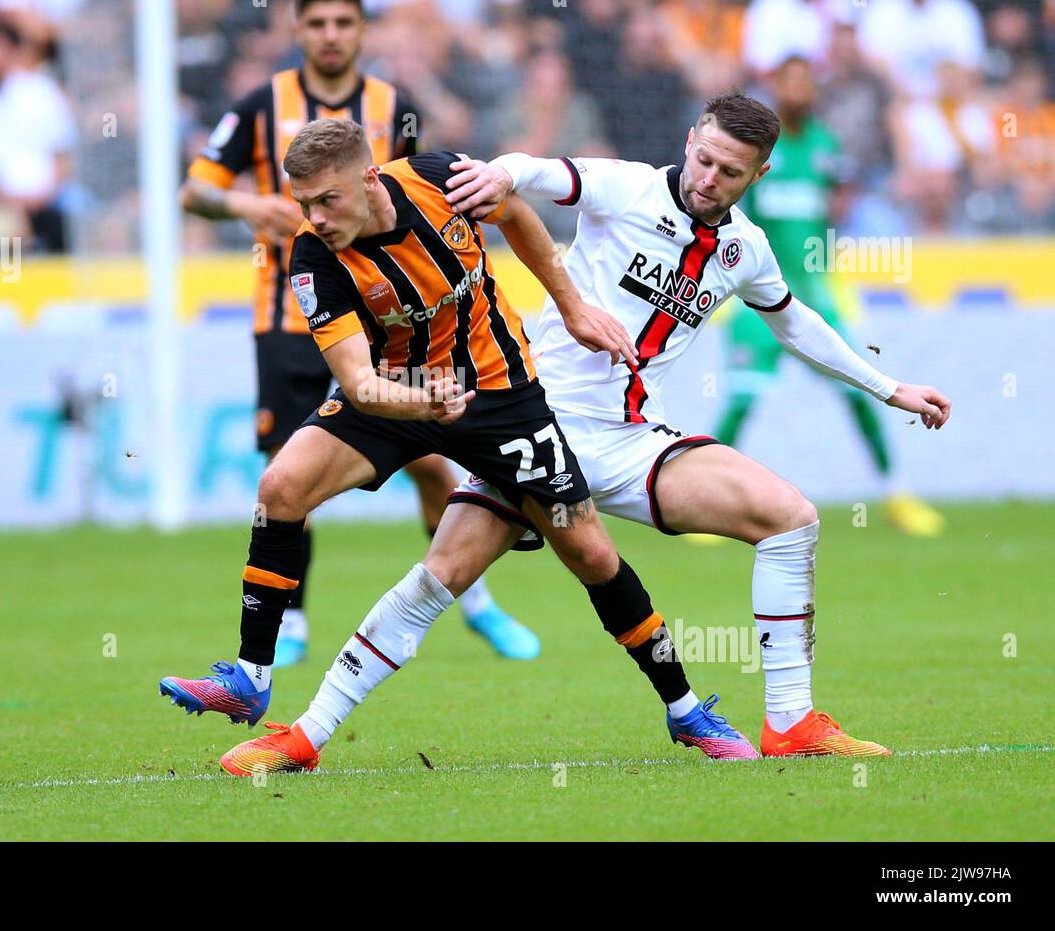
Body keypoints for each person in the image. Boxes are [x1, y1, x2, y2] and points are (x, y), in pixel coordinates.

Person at [221, 94, 951, 772]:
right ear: (690, 139)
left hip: (635, 443)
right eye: (704, 159)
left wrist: (890, 388)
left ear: (757, 174)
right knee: (443, 576)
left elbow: (795, 322)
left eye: (730, 173)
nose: (708, 179)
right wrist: (493, 176)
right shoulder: (622, 185)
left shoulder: (745, 251)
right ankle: (305, 734)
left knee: (791, 521)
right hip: (534, 423)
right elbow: (529, 172)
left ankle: (790, 722)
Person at [185, 117, 763, 775]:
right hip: (396, 391)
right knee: (281, 487)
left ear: (370, 180)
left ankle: (685, 709)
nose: (315, 217)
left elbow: (515, 213)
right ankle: (251, 679)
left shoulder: (439, 180)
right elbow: (357, 382)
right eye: (304, 204)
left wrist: (570, 307)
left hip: (503, 397)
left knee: (592, 552)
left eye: (327, 200)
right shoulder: (315, 255)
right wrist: (421, 402)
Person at [180, 0, 537, 664]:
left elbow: (413, 202)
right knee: (288, 475)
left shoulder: (393, 106)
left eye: (344, 22)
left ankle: (479, 602)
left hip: (388, 322)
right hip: (290, 321)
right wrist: (249, 208)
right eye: (318, 23)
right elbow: (193, 190)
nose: (332, 34)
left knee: (434, 465)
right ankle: (294, 624)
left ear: (361, 31)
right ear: (299, 31)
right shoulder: (263, 104)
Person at [714, 56, 944, 537]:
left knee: (862, 392)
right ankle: (708, 508)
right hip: (757, 302)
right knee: (740, 403)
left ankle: (897, 494)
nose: (798, 90)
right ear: (776, 88)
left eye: (805, 82)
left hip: (816, 298)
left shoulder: (825, 146)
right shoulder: (755, 155)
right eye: (789, 81)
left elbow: (836, 205)